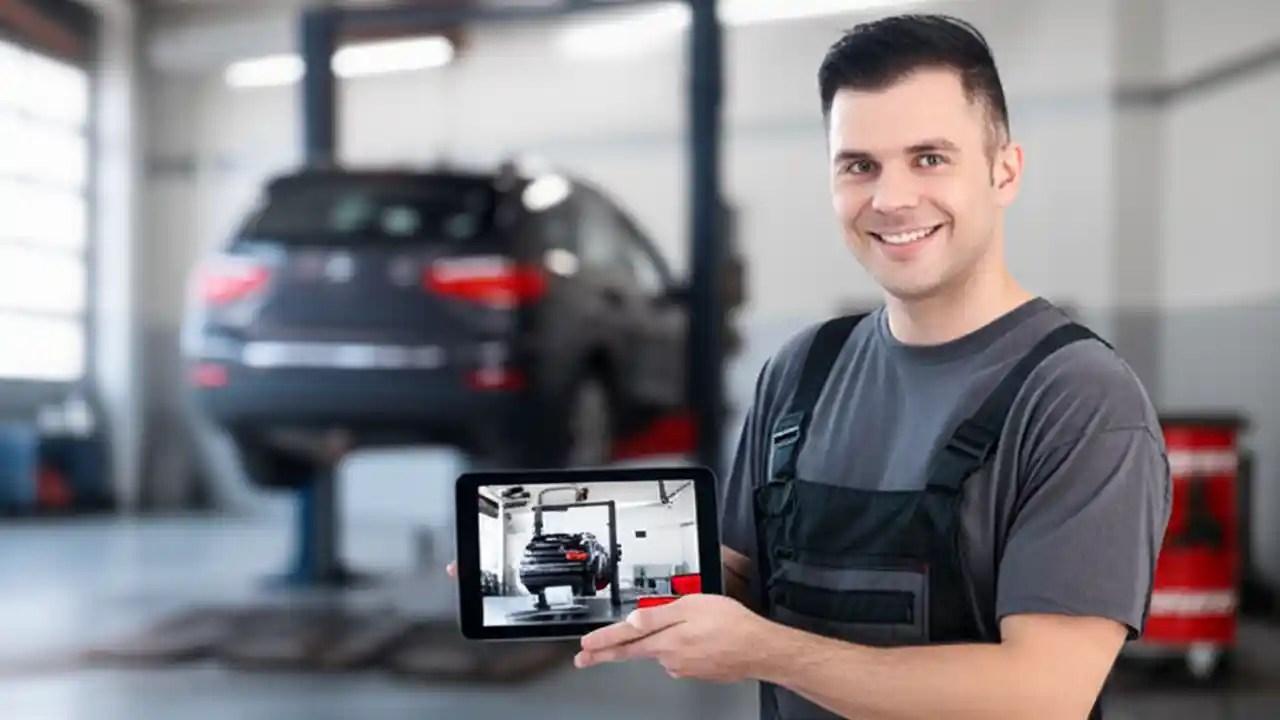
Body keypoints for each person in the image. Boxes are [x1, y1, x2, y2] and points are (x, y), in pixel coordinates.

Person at [571, 13, 1172, 720]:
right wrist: (579, 573)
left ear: (1003, 170)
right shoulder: (802, 371)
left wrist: (768, 651)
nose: (890, 200)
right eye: (860, 165)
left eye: (929, 158)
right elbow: (738, 575)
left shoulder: (1080, 400)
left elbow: (1042, 694)